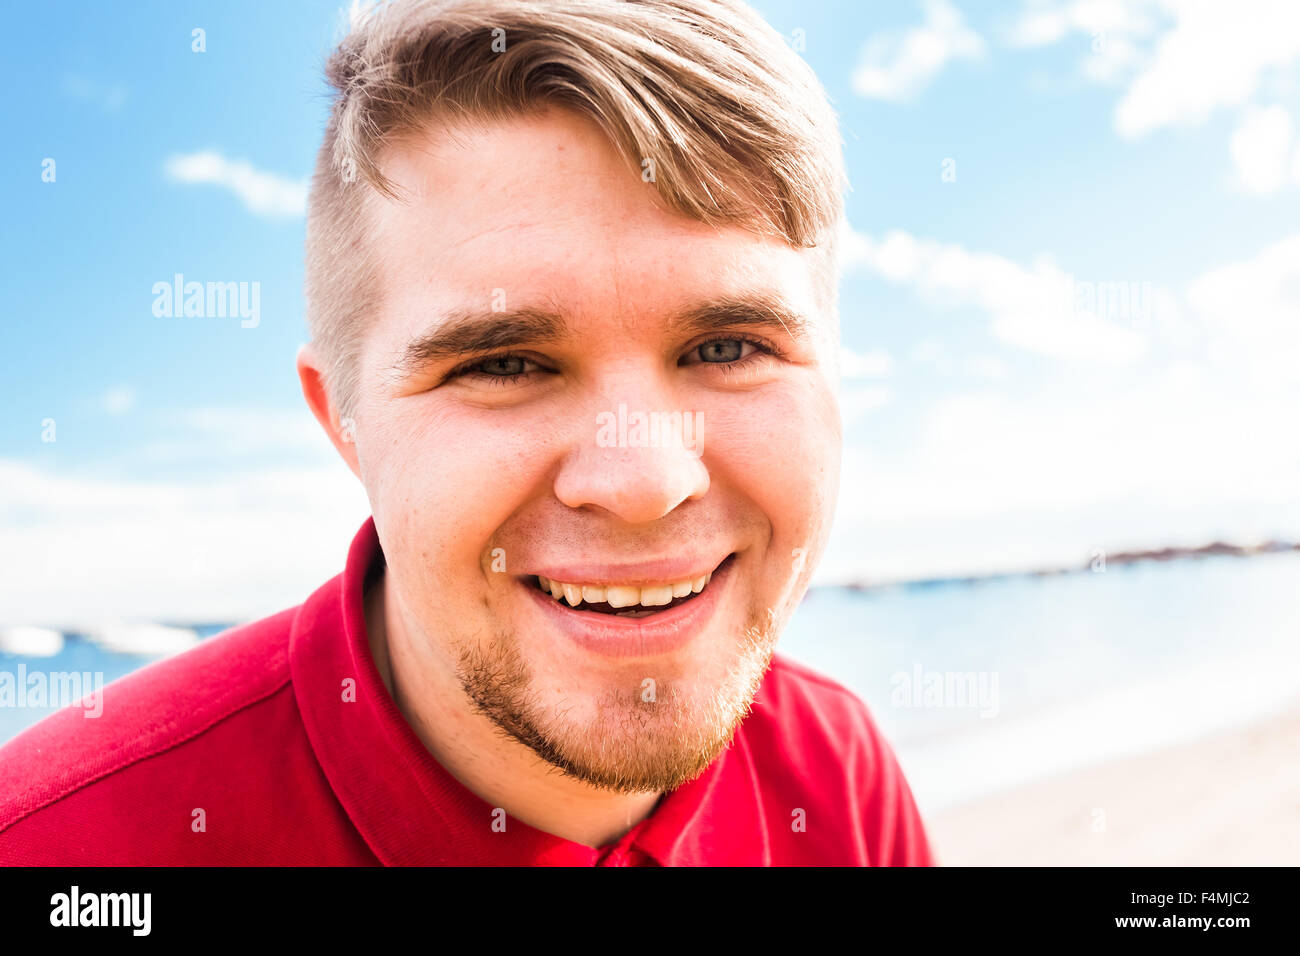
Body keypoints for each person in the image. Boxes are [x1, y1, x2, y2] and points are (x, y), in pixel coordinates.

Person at [0, 0, 934, 866]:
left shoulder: (841, 783)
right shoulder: (64, 845)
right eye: (505, 364)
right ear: (347, 428)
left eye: (728, 346)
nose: (644, 479)